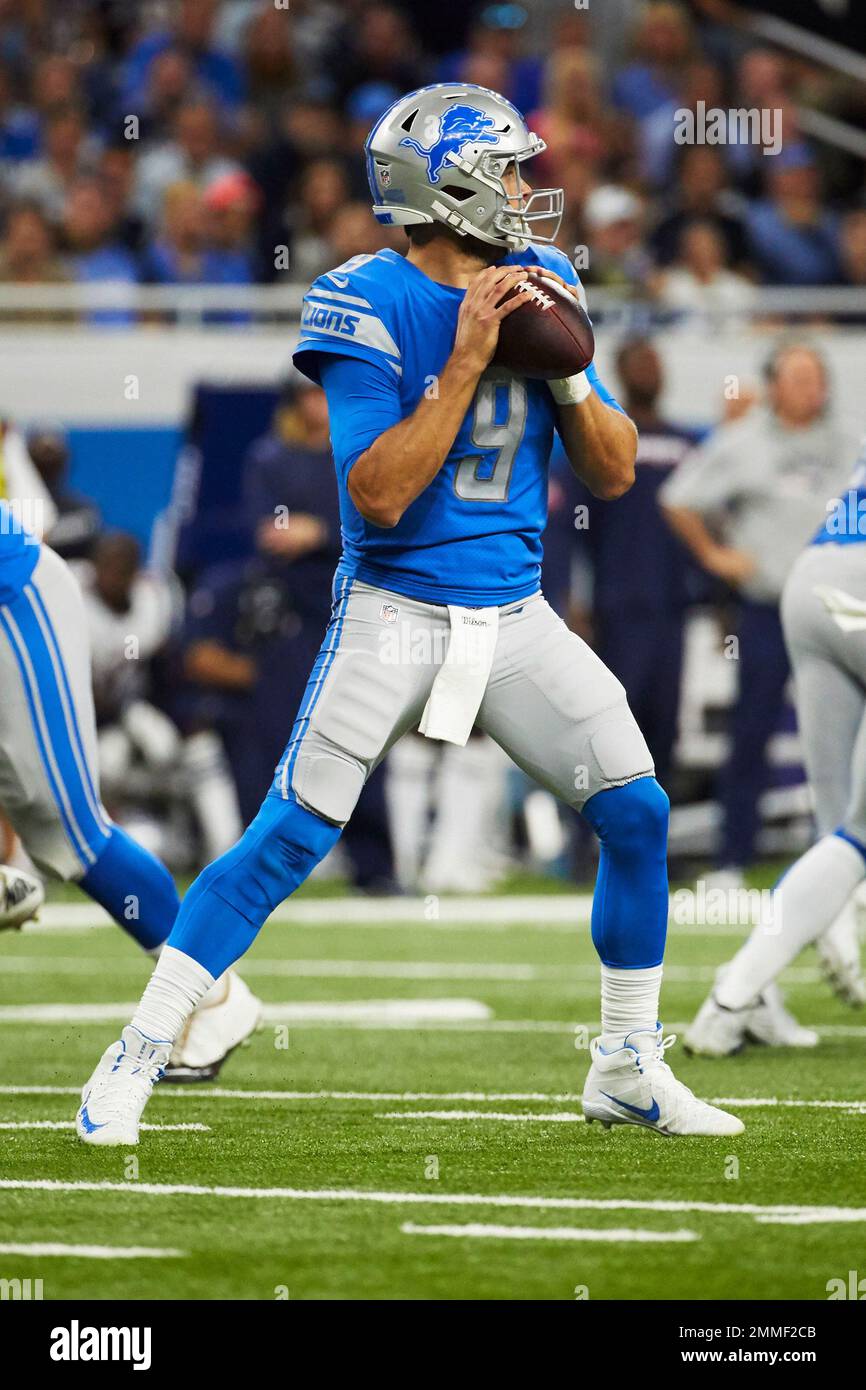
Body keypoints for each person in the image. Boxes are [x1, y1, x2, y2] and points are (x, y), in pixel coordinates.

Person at [77, 81, 743, 1145]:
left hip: (513, 613)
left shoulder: (547, 279)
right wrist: (468, 359)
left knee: (637, 812)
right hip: (396, 608)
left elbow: (614, 474)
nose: (527, 190)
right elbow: (376, 494)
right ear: (453, 187)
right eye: (509, 171)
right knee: (288, 836)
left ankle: (625, 1063)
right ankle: (142, 1049)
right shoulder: (361, 297)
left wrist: (566, 376)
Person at [0, 500, 260, 1081]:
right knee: (52, 835)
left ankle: (212, 994)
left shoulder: (147, 603)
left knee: (69, 833)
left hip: (12, 602)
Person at [687, 440, 866, 1055]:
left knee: (843, 828)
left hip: (811, 582)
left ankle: (743, 994)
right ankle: (742, 990)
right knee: (857, 835)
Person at [661, 343, 860, 878]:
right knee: (751, 731)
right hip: (770, 608)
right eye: (798, 378)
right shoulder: (744, 441)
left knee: (846, 735)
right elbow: (679, 498)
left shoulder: (849, 443)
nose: (811, 389)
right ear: (773, 384)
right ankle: (732, 858)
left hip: (840, 610)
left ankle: (841, 856)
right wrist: (714, 556)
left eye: (817, 378)